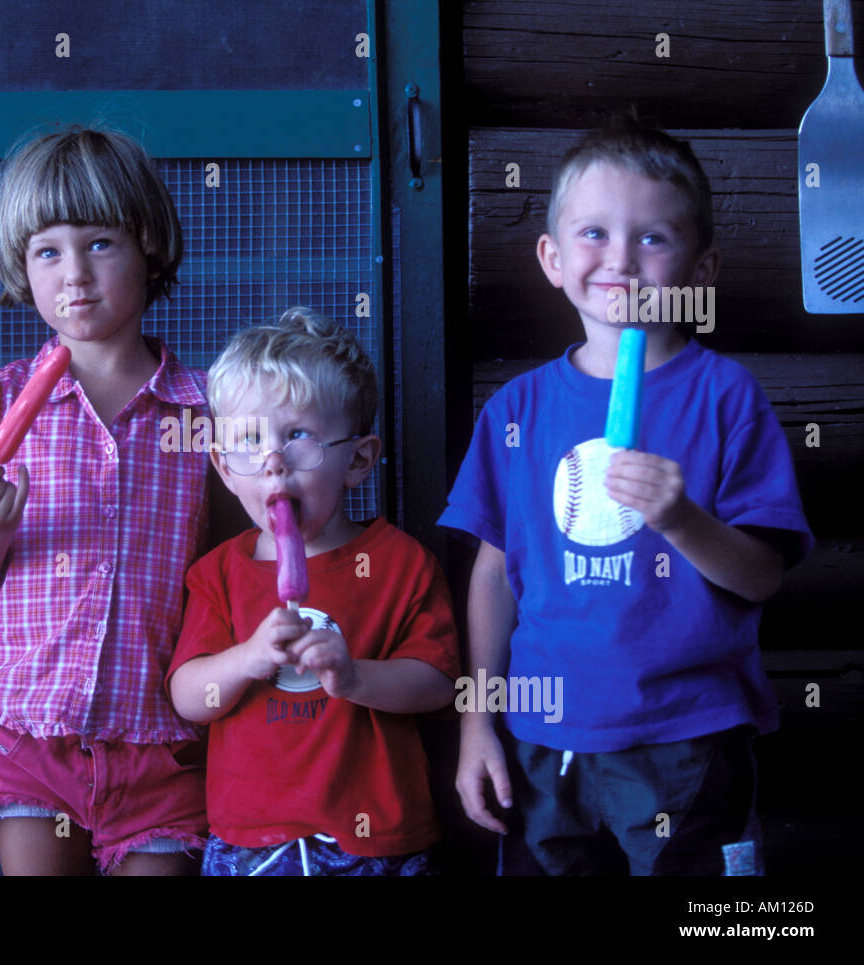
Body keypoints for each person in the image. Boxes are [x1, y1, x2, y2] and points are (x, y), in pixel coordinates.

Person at [441, 117, 813, 875]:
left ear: (701, 268)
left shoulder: (725, 397)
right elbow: (492, 574)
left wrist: (680, 518)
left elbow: (761, 575)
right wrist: (477, 721)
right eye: (594, 233)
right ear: (551, 257)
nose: (620, 260)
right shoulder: (517, 409)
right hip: (544, 735)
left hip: (688, 737)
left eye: (652, 238)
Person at [0, 127, 210, 875]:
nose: (75, 275)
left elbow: (222, 564)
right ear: (21, 269)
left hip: (159, 735)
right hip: (26, 732)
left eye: (100, 244)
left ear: (149, 246)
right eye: (48, 251)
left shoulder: (202, 412)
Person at [168, 307, 459, 876]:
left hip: (376, 838)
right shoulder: (217, 575)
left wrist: (355, 677)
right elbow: (188, 698)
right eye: (250, 441)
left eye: (298, 435)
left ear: (357, 460)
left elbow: (438, 685)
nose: (274, 464)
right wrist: (249, 658)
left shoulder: (401, 565)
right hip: (251, 842)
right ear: (226, 470)